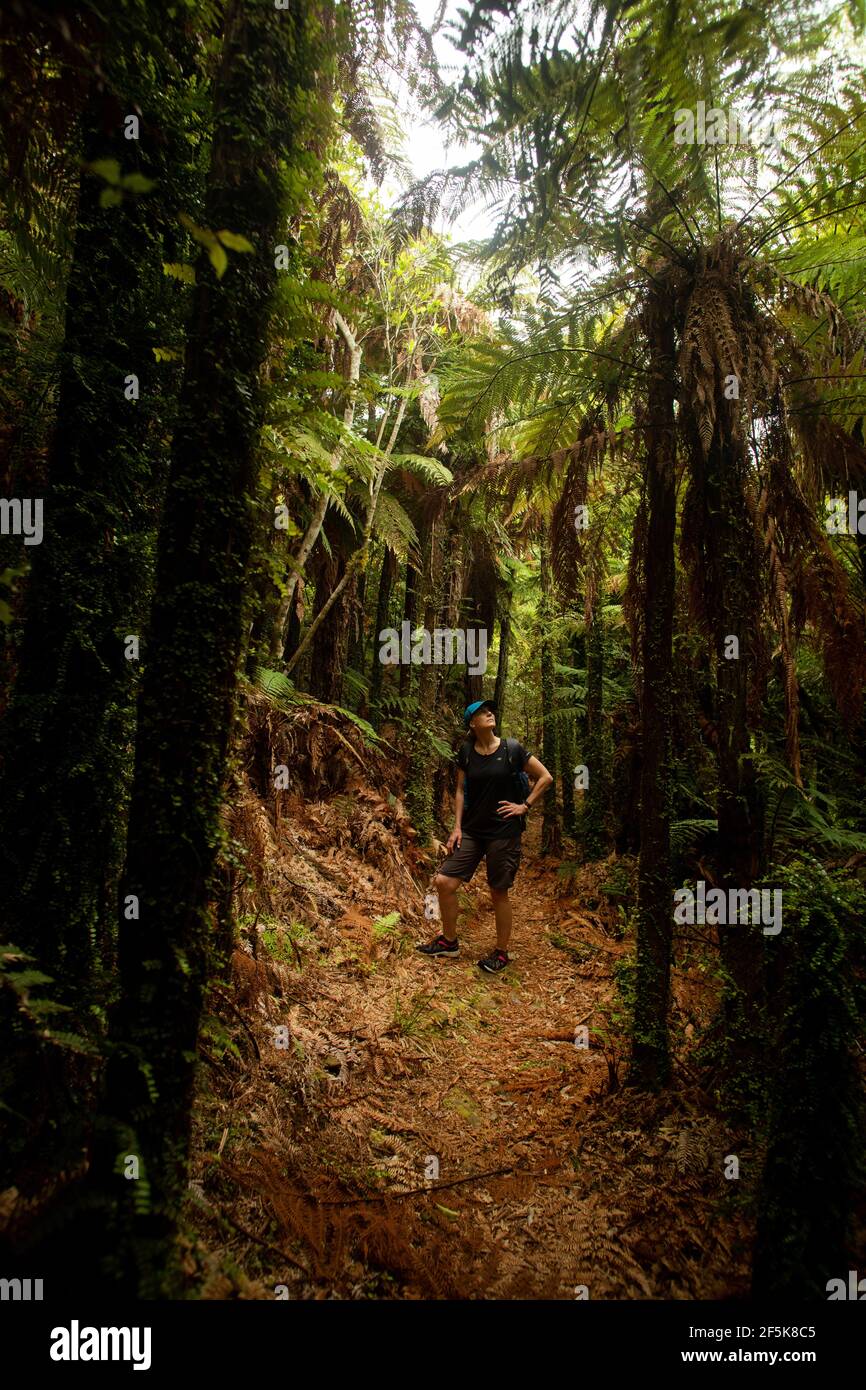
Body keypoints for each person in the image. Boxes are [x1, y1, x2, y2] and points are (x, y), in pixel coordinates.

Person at [416, 699, 553, 972]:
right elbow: (460, 790)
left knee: (498, 891)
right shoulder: (466, 752)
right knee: (444, 882)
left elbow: (546, 777)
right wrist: (456, 827)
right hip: (472, 830)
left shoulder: (512, 749)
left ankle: (501, 953)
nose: (489, 714)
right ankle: (449, 942)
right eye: (481, 713)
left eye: (490, 711)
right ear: (472, 723)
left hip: (504, 832)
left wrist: (524, 806)